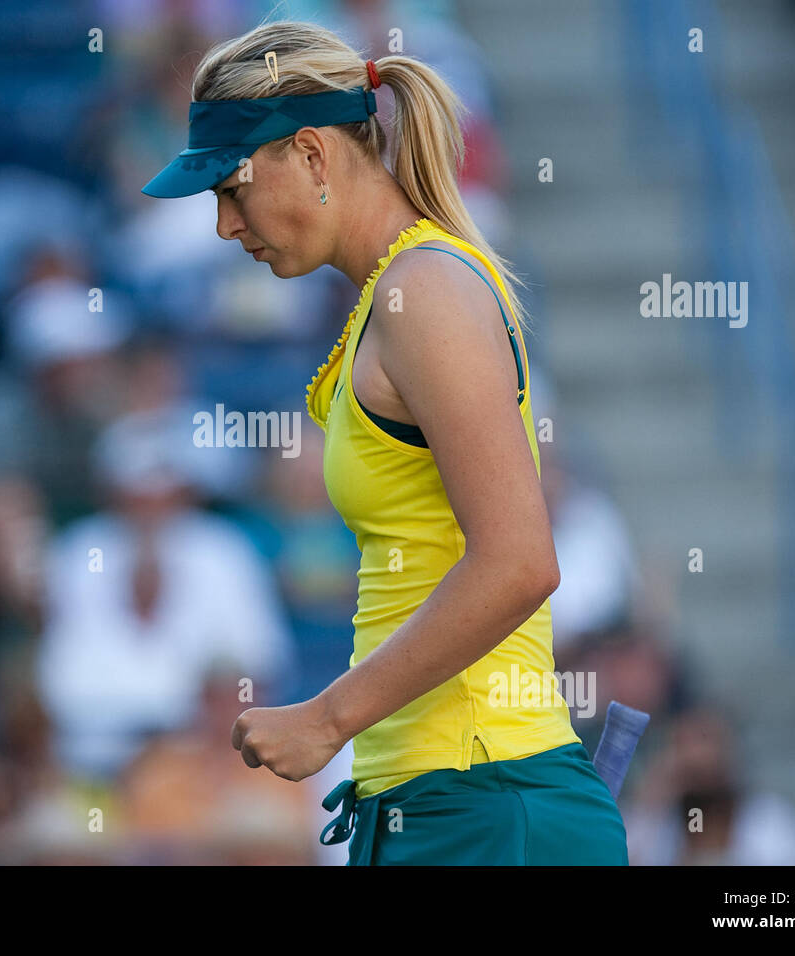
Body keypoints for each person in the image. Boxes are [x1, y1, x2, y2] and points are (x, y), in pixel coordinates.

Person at [140, 19, 627, 865]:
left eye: (232, 188)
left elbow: (519, 561)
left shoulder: (425, 290)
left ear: (313, 156)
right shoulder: (395, 294)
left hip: (488, 807)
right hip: (438, 804)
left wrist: (327, 718)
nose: (224, 225)